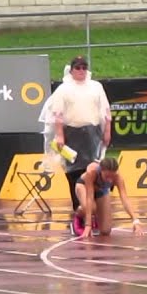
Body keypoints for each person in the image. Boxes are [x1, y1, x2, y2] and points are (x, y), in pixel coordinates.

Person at [48, 56, 112, 217]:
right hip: (72, 133)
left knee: (94, 171)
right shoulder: (64, 89)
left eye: (84, 67)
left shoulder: (96, 87)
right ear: (71, 70)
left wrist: (107, 131)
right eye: (78, 68)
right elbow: (57, 115)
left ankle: (95, 209)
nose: (81, 71)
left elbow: (106, 111)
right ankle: (79, 211)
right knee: (74, 173)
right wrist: (60, 136)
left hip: (92, 133)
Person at [72, 156, 143, 238]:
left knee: (106, 231)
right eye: (107, 176)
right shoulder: (92, 171)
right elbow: (90, 197)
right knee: (92, 208)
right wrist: (88, 225)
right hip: (83, 186)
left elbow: (125, 199)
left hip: (101, 190)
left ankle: (97, 218)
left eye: (112, 177)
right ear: (101, 170)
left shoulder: (118, 177)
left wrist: (135, 220)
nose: (109, 180)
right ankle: (79, 215)